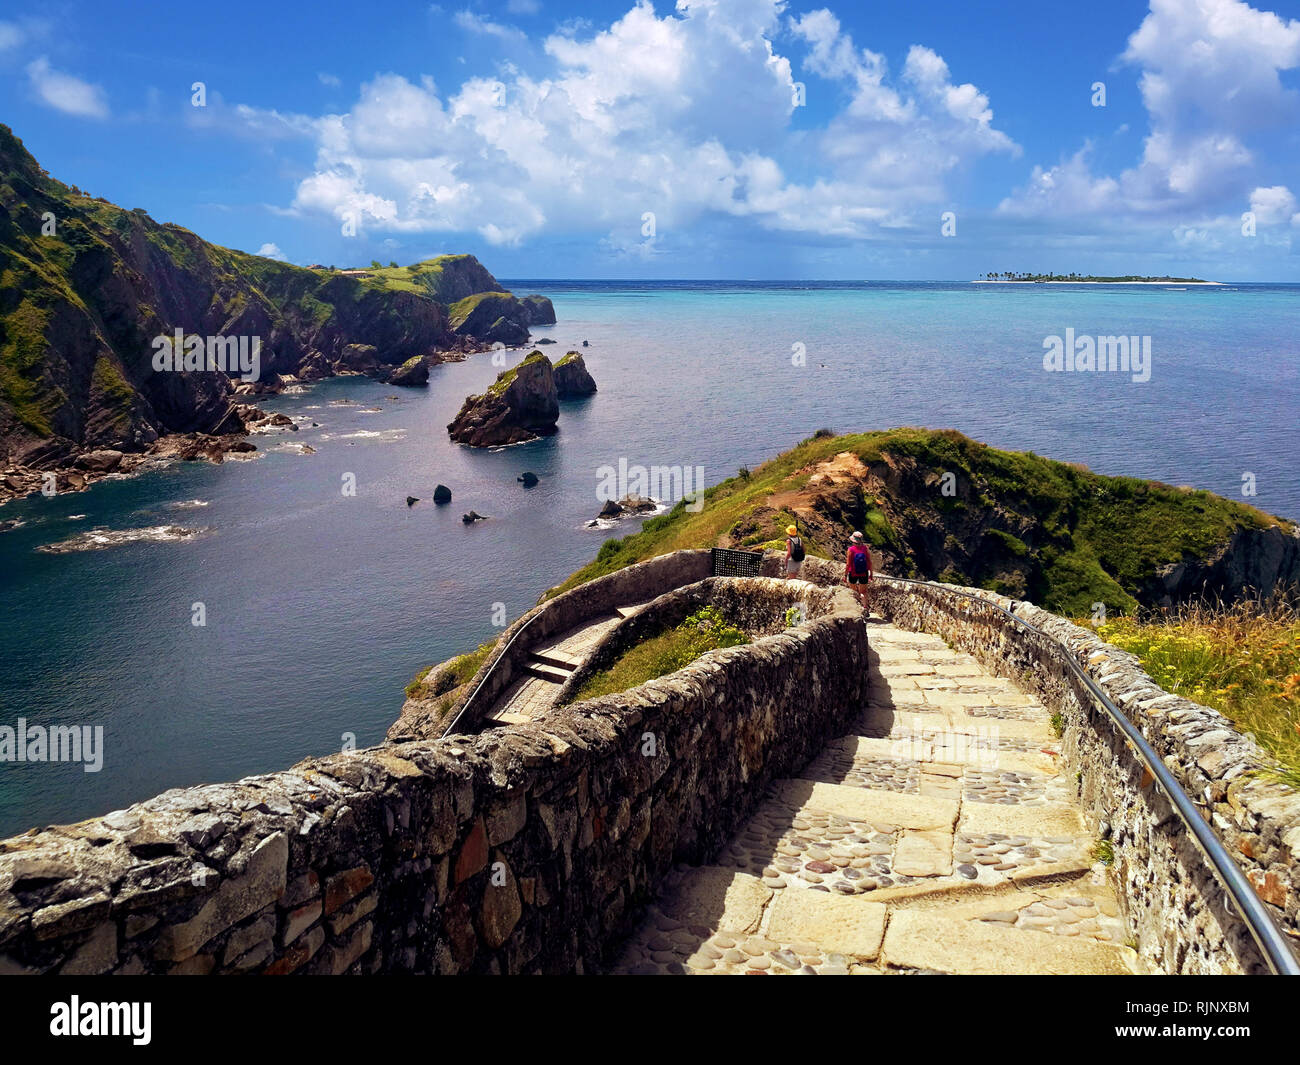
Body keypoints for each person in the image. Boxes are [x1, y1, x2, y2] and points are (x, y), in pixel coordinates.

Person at [844, 530, 872, 610]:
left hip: (853, 573)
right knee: (863, 592)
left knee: (853, 592)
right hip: (864, 573)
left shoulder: (851, 549)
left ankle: (855, 609)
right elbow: (869, 562)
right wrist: (871, 574)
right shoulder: (865, 548)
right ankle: (865, 607)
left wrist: (845, 575)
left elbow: (848, 564)